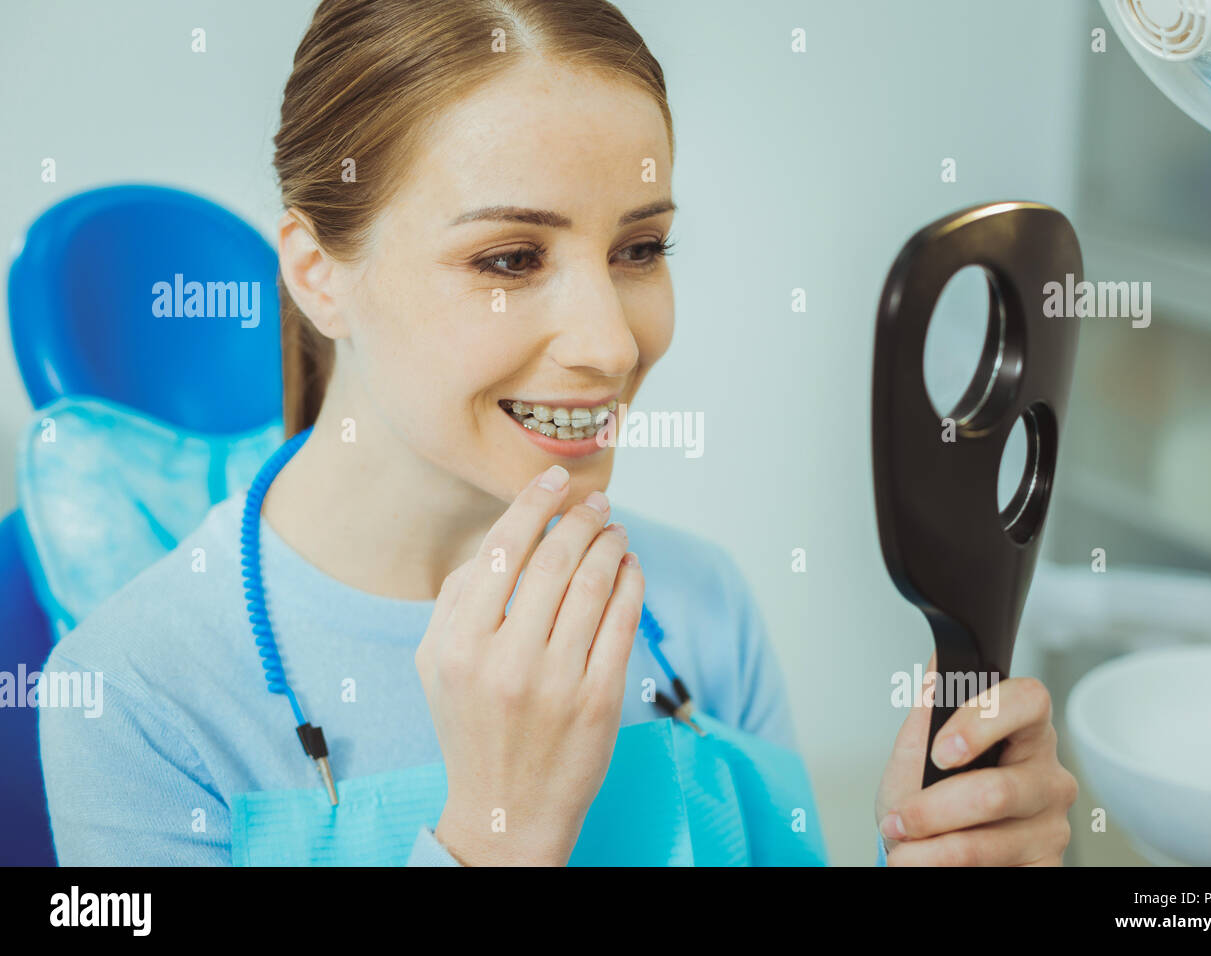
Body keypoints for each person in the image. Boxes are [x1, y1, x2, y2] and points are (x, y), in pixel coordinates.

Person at [39, 0, 1076, 866]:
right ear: (318, 274)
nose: (610, 342)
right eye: (509, 258)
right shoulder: (135, 698)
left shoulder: (700, 607)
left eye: (639, 247)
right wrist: (500, 828)